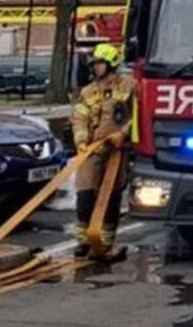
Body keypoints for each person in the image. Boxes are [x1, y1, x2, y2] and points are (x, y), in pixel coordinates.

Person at [70, 43, 136, 260]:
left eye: (100, 63)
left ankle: (105, 242)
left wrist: (123, 133)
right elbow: (79, 118)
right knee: (85, 192)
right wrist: (81, 141)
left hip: (117, 149)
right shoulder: (88, 91)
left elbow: (137, 114)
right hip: (93, 148)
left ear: (111, 64)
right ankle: (83, 241)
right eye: (95, 64)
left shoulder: (128, 86)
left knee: (111, 195)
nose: (96, 67)